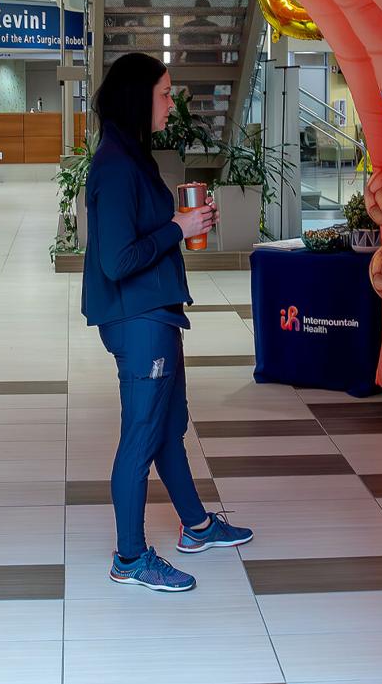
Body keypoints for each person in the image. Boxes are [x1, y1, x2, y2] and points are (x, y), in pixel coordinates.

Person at [81, 51, 254, 592]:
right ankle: (129, 557)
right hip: (138, 320)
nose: (170, 102)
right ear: (137, 97)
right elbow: (117, 260)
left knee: (167, 426)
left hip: (157, 314)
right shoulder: (113, 165)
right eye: (163, 92)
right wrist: (178, 228)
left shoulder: (132, 157)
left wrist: (185, 221)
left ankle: (196, 525)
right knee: (140, 434)